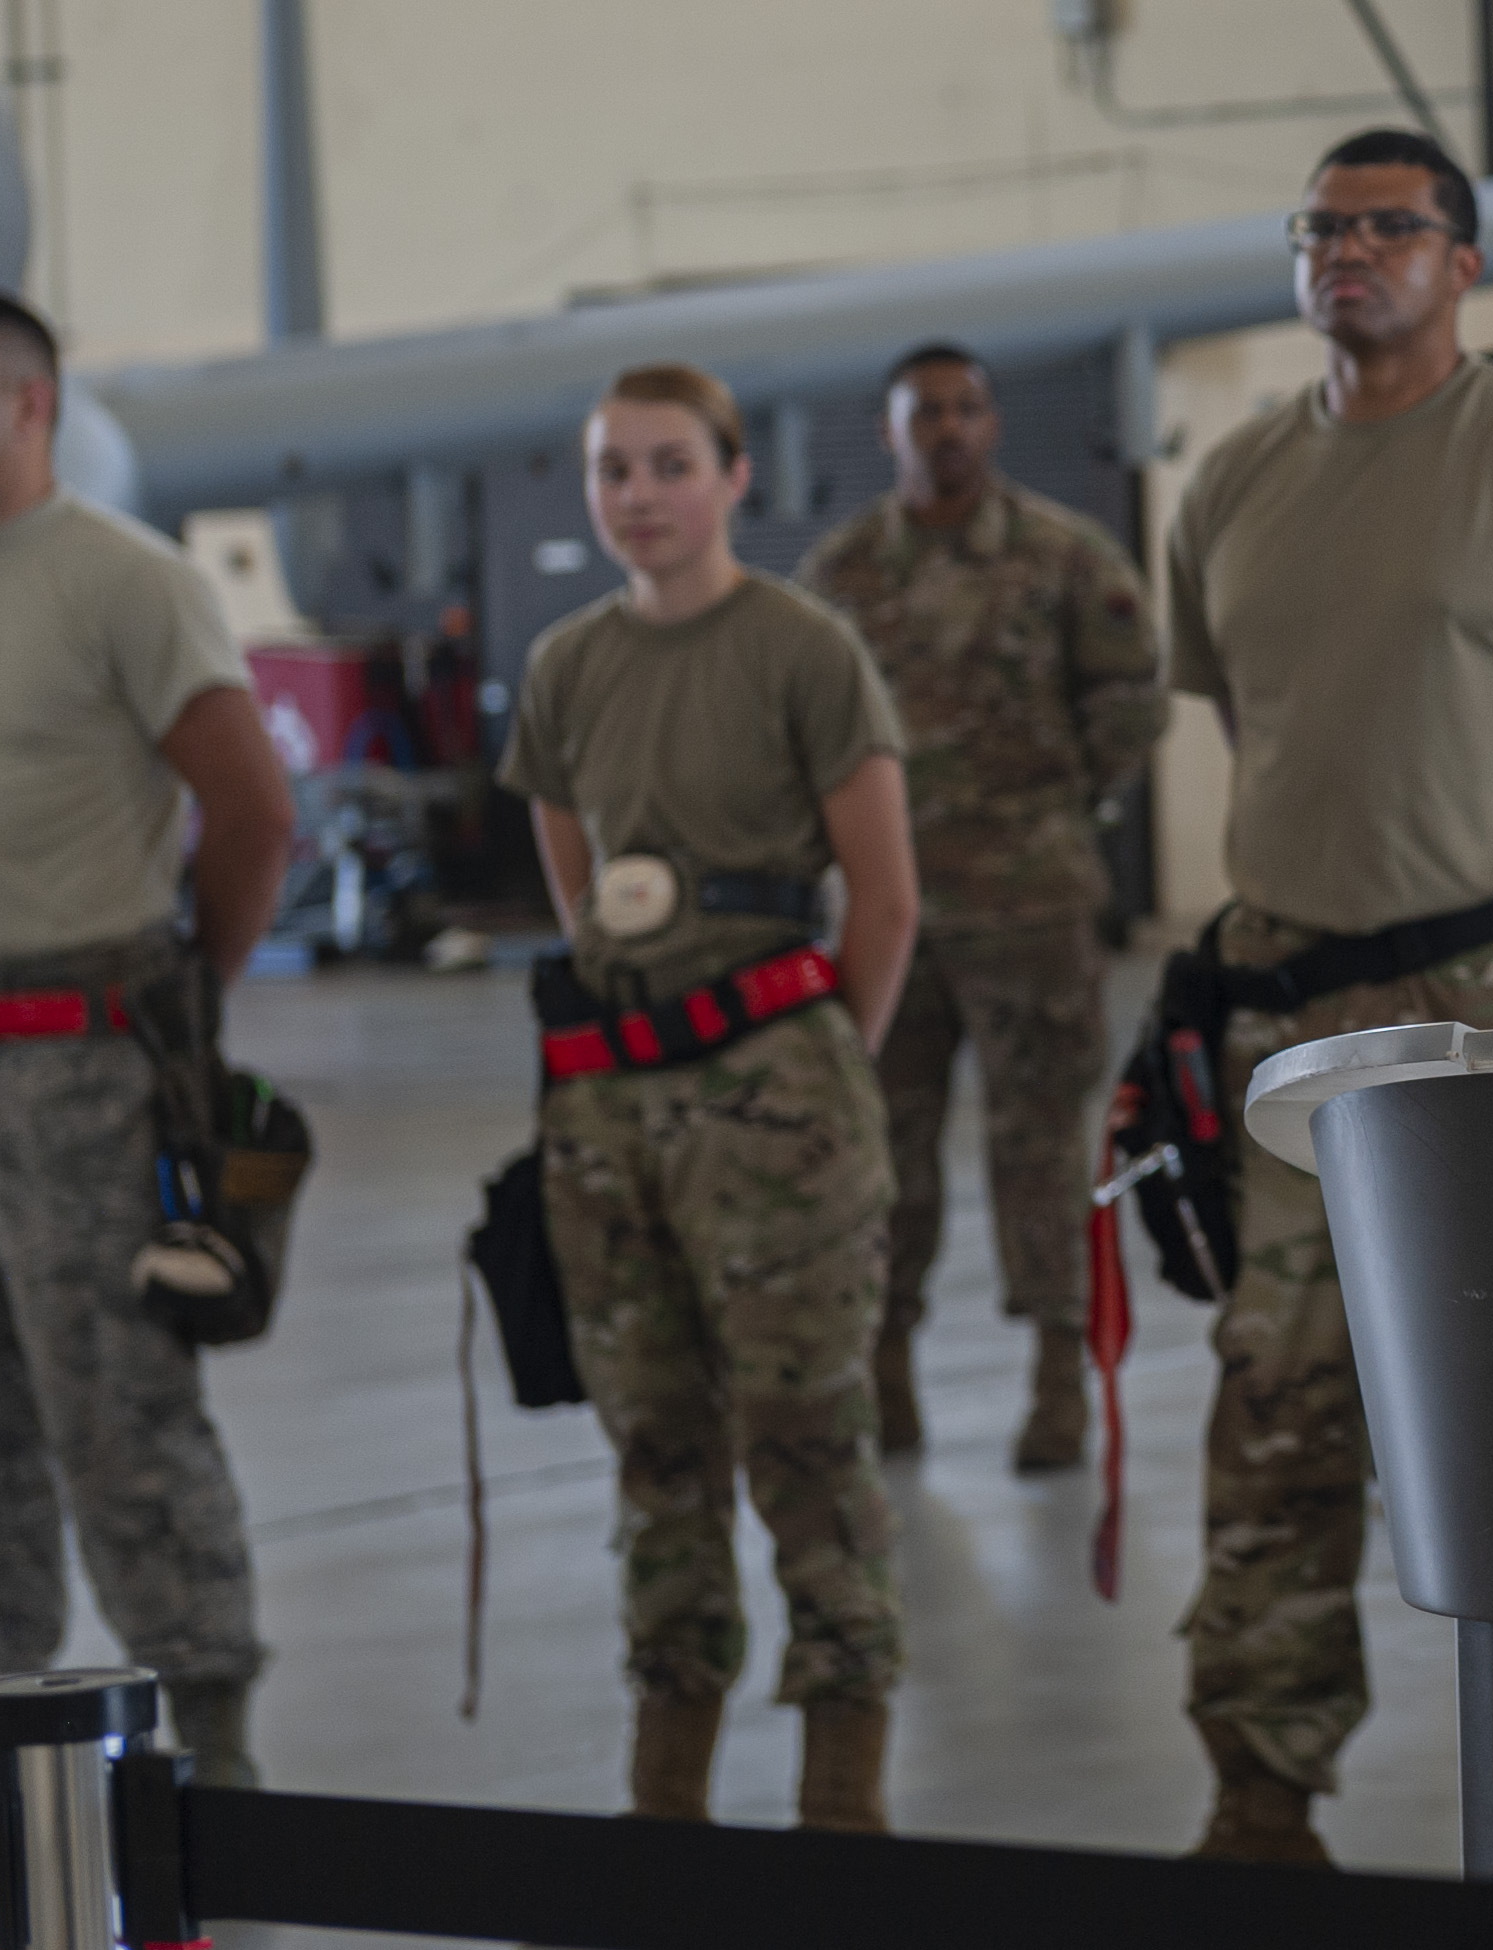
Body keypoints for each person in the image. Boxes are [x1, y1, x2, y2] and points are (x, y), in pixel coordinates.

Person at [1165, 127, 1493, 1862]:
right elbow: (1265, 729)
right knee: (1277, 1405)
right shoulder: (1231, 483)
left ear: (1463, 263)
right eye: (1321, 228)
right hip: (1291, 1017)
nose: (1348, 251)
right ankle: (1260, 1799)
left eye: (1390, 227)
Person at [0, 288, 294, 1784]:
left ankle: (214, 1734)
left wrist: (184, 1008)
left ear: (30, 403)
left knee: (119, 1413)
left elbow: (253, 812)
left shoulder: (128, 581)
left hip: (86, 1063)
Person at [498, 363, 920, 1831]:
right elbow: (578, 891)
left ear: (735, 477)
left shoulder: (804, 649)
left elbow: (885, 899)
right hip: (614, 1106)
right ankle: (665, 1800)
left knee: (805, 1442)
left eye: (670, 464)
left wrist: (815, 1084)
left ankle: (841, 1808)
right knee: (655, 1446)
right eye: (613, 469)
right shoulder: (565, 666)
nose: (639, 496)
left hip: (775, 1087)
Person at [799, 342, 1163, 1472]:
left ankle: (1059, 1381)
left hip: (1030, 908)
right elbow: (801, 726)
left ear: (991, 422)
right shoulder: (842, 573)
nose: (948, 429)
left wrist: (1048, 805)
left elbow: (1131, 704)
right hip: (886, 914)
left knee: (1041, 1151)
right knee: (880, 1152)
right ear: (889, 430)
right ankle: (885, 1371)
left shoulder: (1064, 556)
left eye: (965, 409)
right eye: (926, 412)